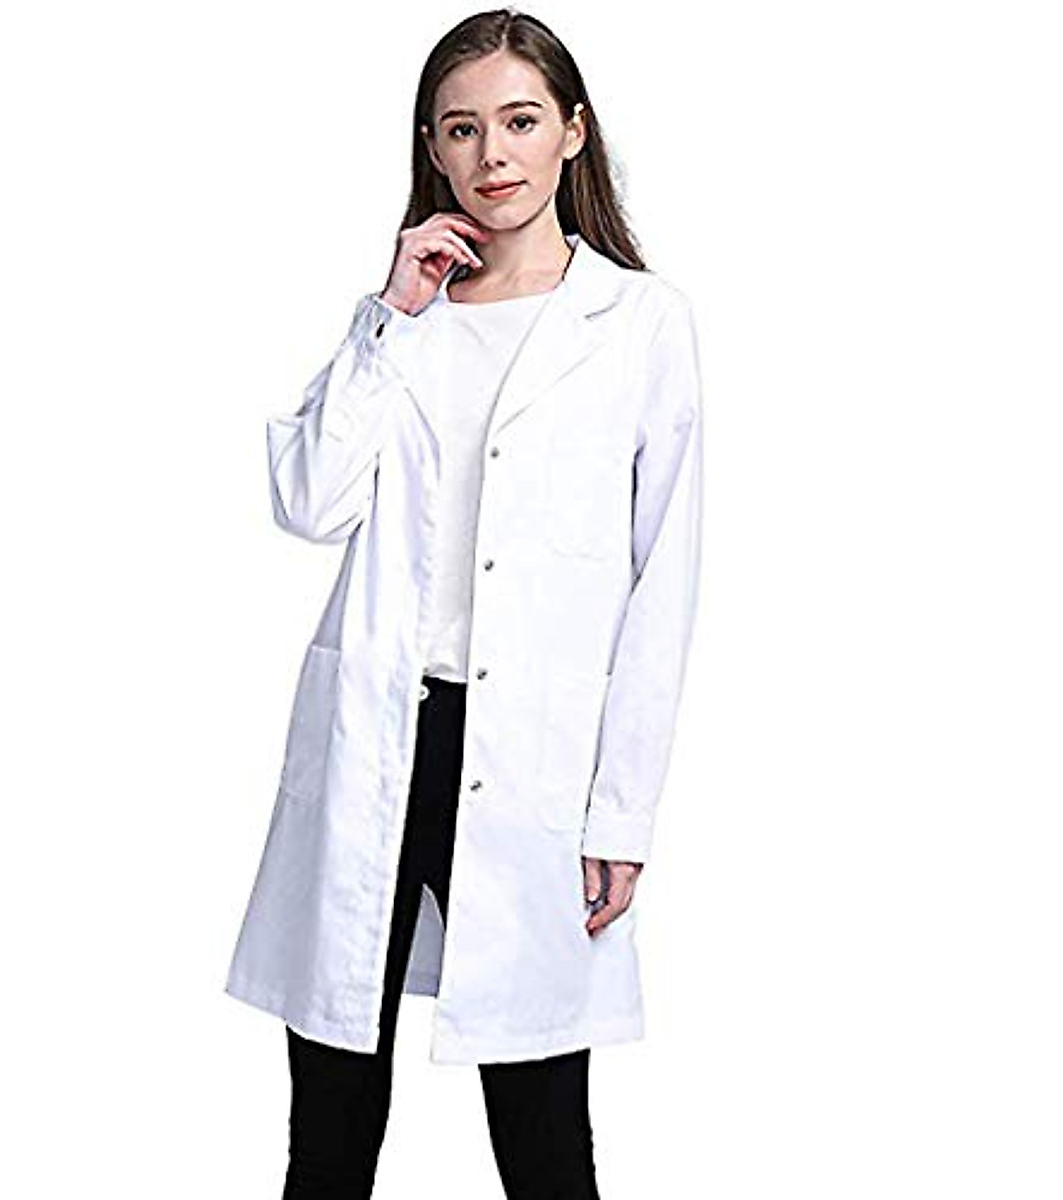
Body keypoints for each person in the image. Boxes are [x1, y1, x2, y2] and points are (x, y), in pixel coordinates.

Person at [225, 9, 704, 1197]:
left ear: (573, 133)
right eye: (461, 129)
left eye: (520, 121)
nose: (493, 153)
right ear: (433, 151)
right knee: (330, 1127)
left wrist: (623, 814)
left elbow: (664, 582)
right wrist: (389, 314)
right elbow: (308, 500)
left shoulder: (640, 323)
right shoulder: (407, 321)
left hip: (533, 757)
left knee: (542, 1136)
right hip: (377, 736)